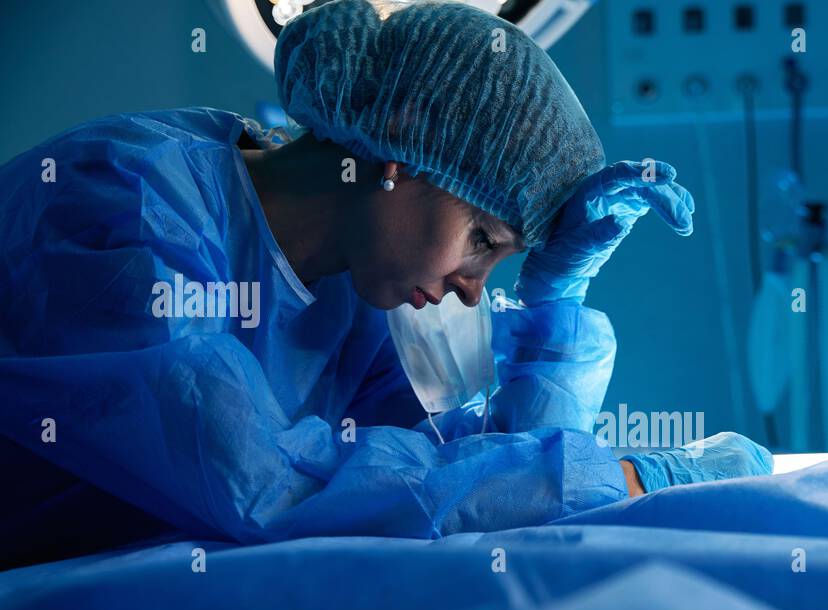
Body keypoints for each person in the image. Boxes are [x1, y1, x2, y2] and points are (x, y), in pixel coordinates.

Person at [0, 0, 770, 568]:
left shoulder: (356, 292)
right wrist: (620, 477)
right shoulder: (123, 208)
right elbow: (269, 488)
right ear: (400, 153)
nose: (474, 291)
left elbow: (470, 471)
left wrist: (554, 304)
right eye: (481, 241)